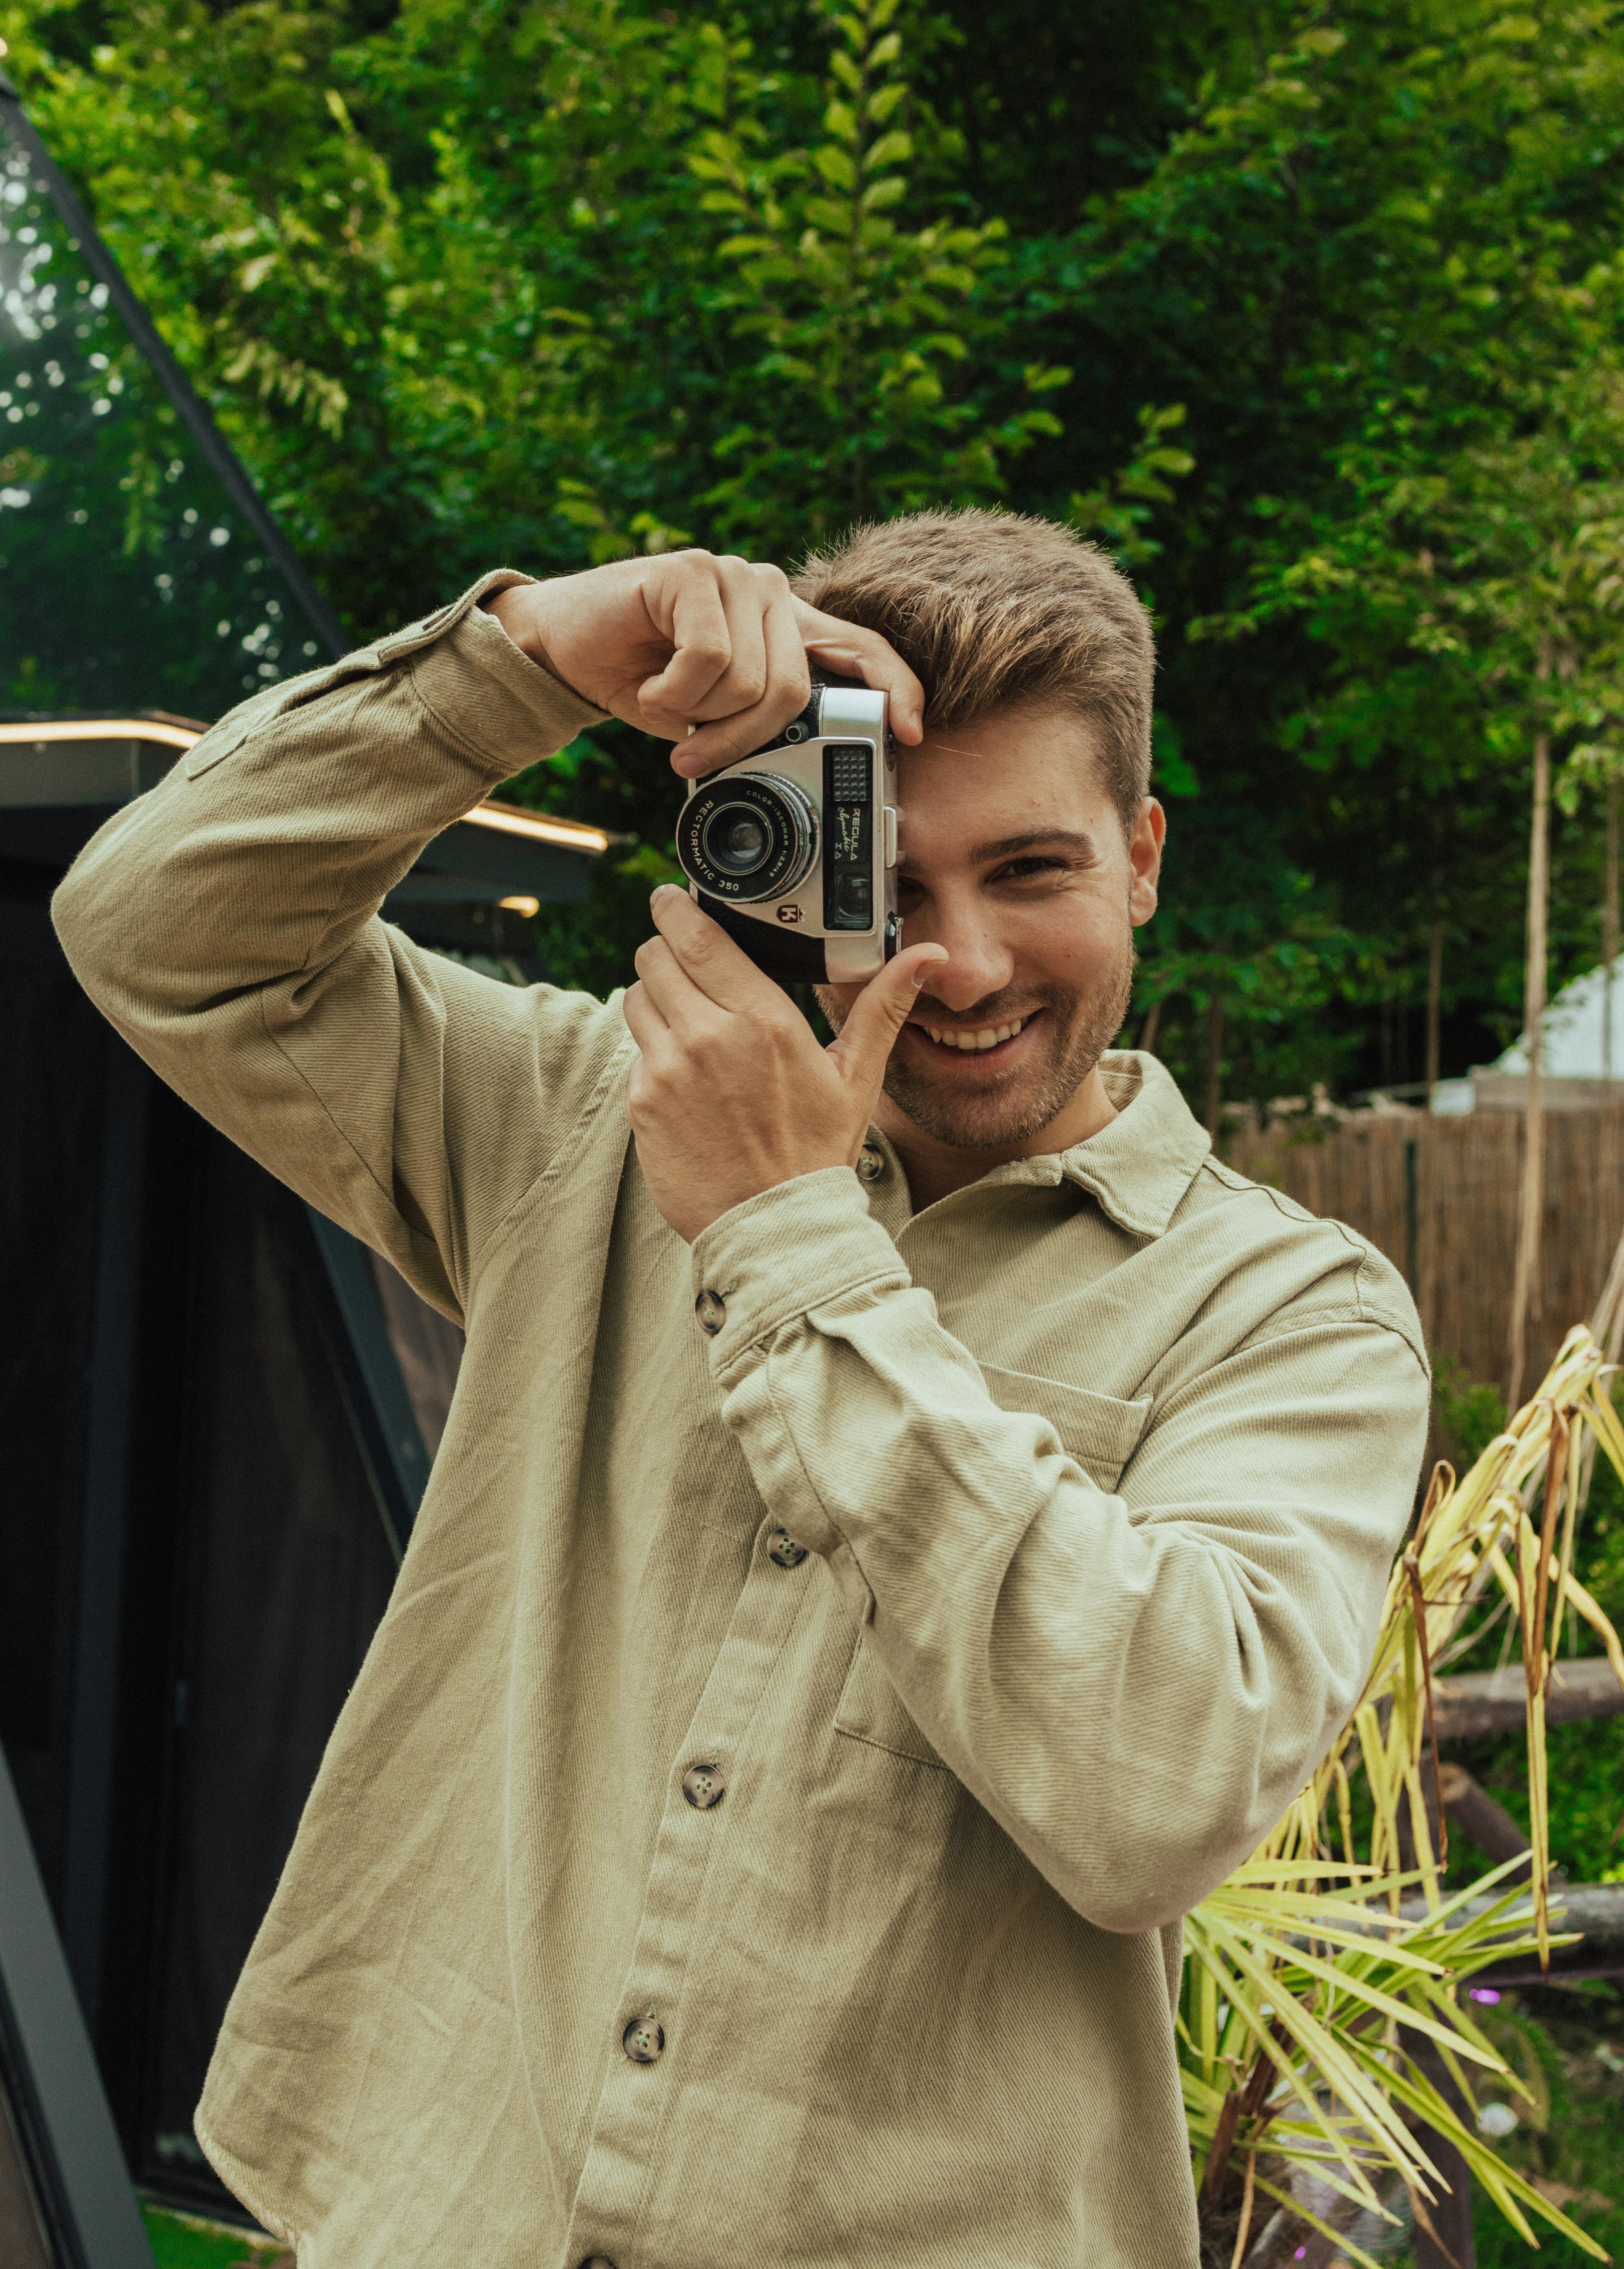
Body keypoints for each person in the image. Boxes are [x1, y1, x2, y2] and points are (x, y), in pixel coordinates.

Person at [53, 509, 1428, 2269]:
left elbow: (1158, 1787)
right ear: (788, 864)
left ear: (1143, 855)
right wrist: (527, 655)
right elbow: (159, 932)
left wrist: (786, 1237)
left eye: (1031, 873)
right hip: (435, 2213)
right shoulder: (587, 1125)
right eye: (888, 884)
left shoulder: (1287, 1313)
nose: (964, 966)